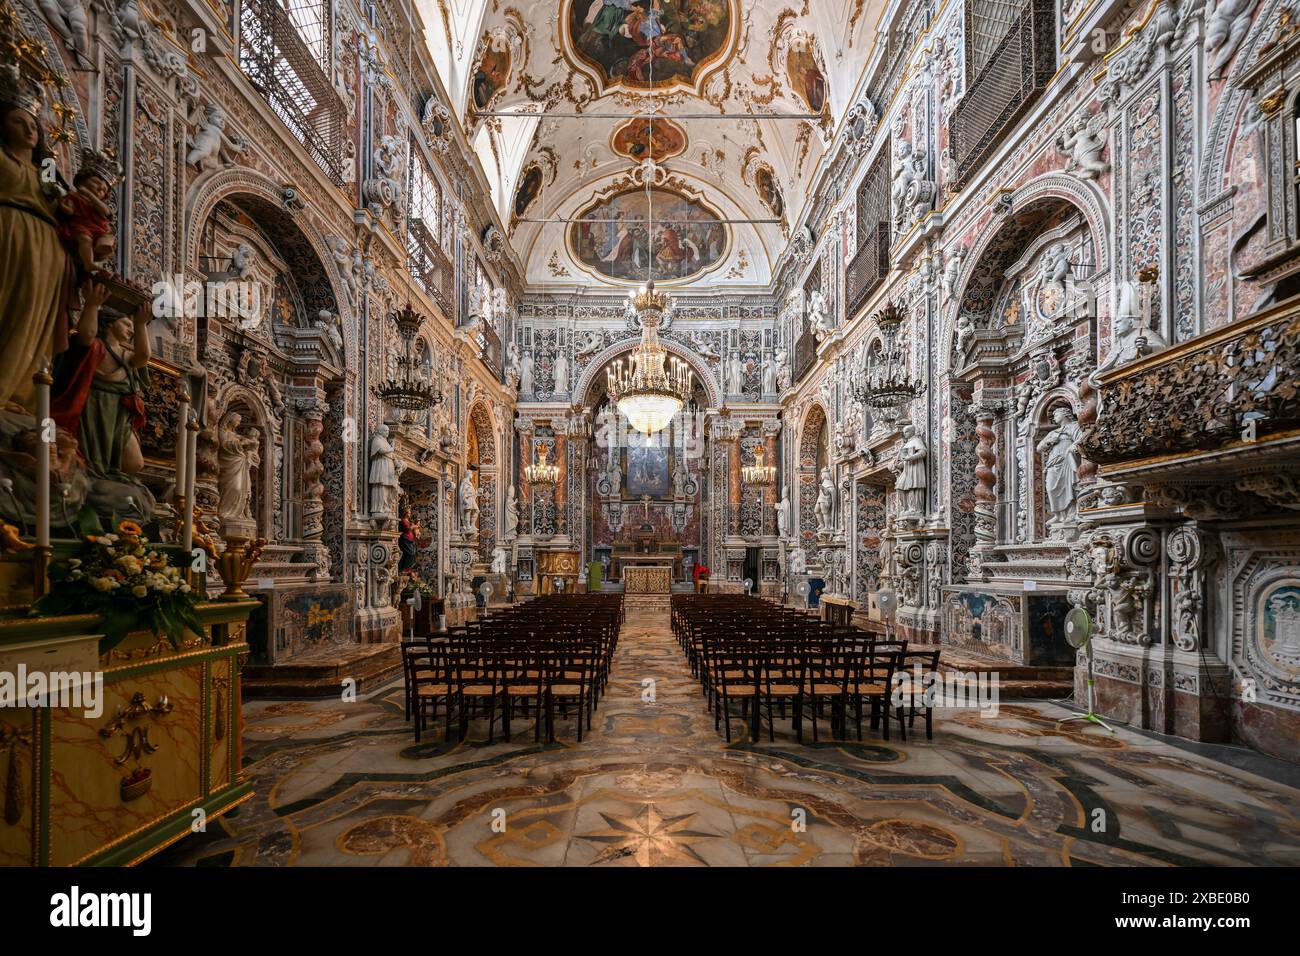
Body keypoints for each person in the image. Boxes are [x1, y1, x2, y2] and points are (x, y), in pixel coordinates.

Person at [0, 73, 72, 410]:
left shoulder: (44, 171)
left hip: (47, 259)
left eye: (33, 125)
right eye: (19, 122)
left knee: (33, 324)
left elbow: (61, 202)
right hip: (8, 239)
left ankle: (19, 396)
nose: (30, 131)